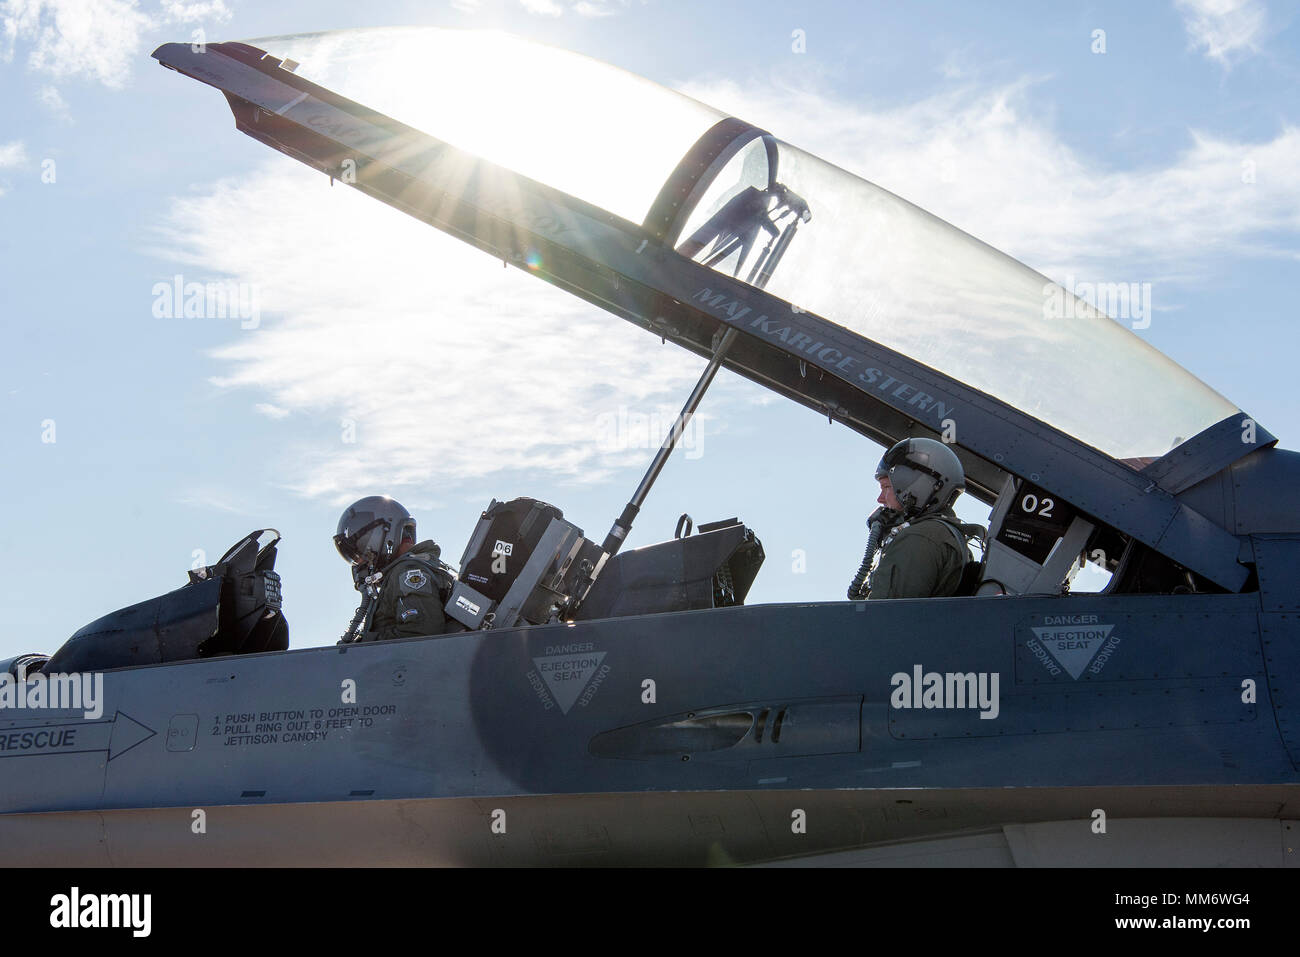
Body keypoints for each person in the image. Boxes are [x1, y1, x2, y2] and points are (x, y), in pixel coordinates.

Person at [848, 438, 971, 600]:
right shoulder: (946, 534)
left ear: (918, 488)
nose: (880, 499)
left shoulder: (918, 538)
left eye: (886, 487)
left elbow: (881, 618)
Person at [334, 496, 459, 642]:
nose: (360, 562)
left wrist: (366, 643)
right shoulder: (409, 570)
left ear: (380, 536)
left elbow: (421, 634)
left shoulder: (408, 571)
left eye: (359, 553)